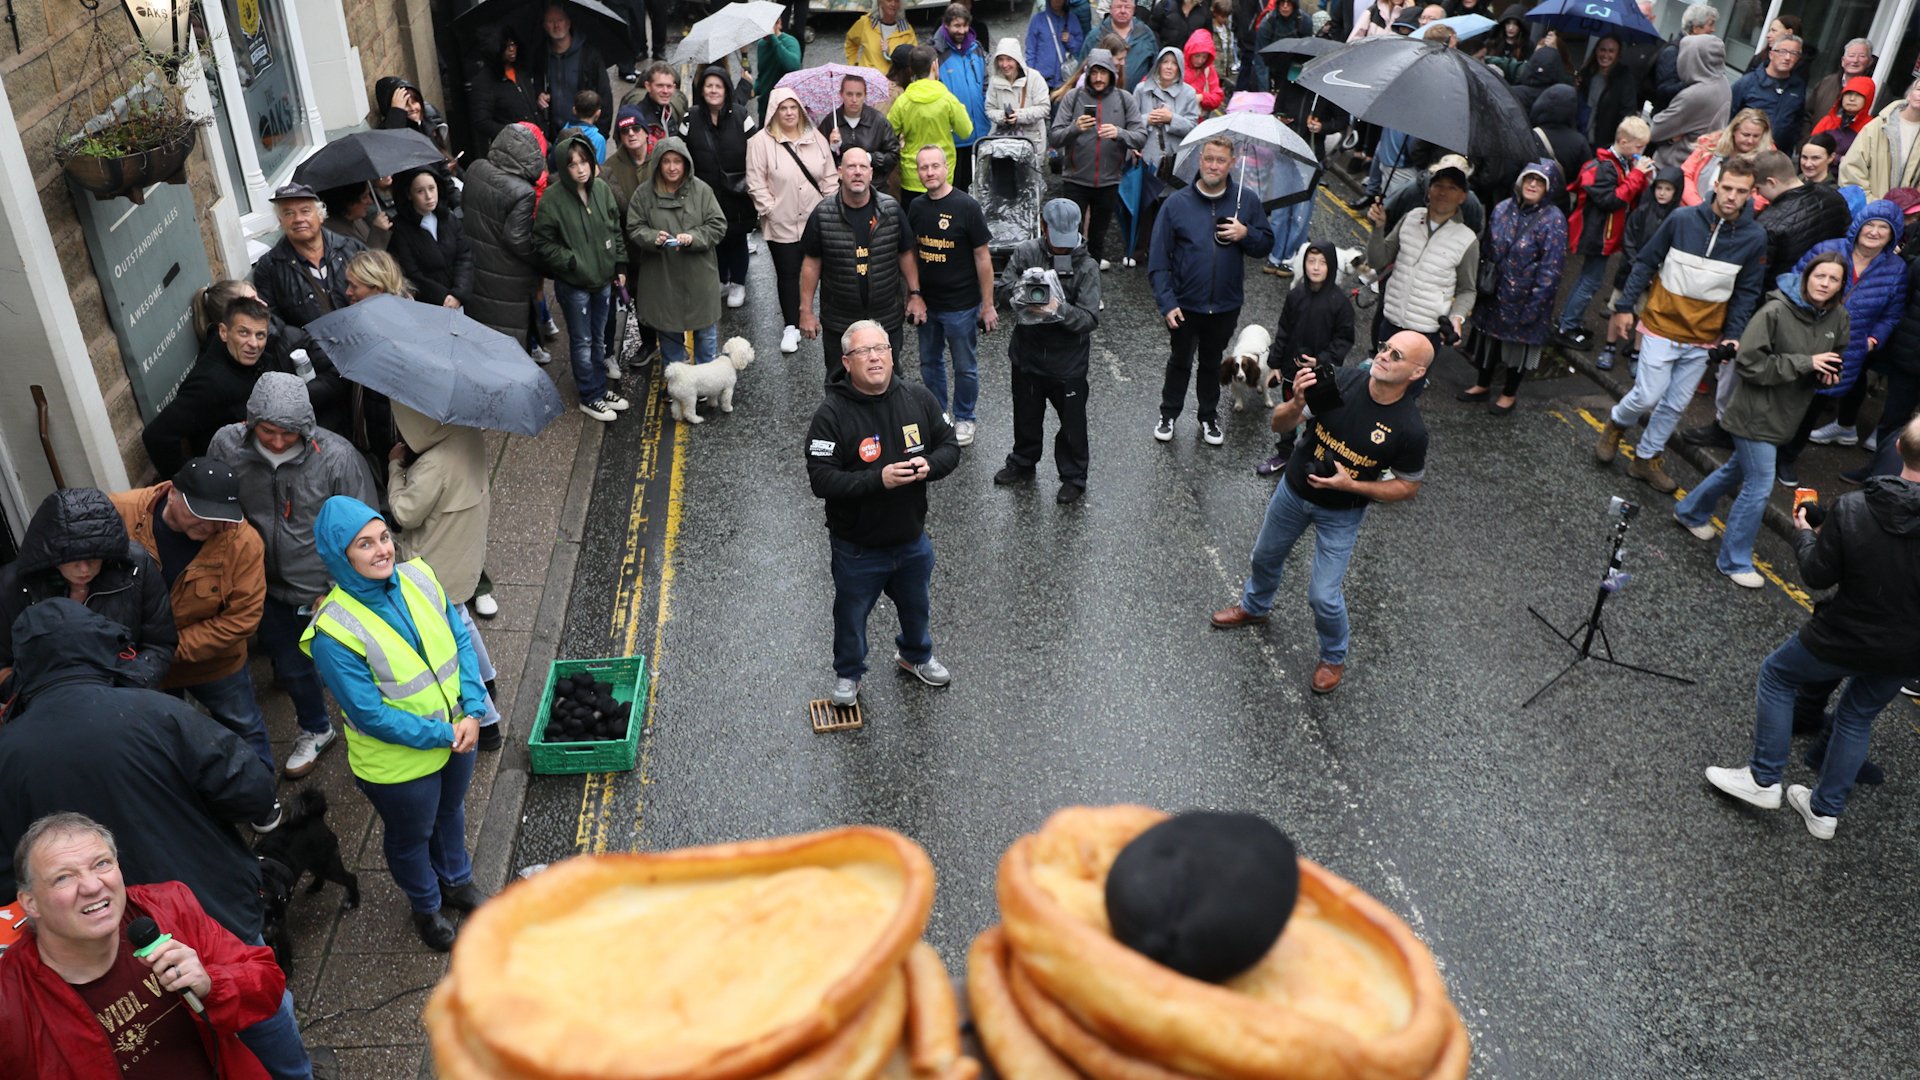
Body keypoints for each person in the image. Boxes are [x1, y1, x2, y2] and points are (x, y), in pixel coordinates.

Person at [1703, 416, 1920, 841]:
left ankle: (1763, 779)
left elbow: (1817, 575)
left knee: (1777, 675)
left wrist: (1806, 534)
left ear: (1897, 449)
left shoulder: (1855, 507)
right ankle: (1823, 813)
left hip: (1844, 633)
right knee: (1857, 715)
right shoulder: (1851, 510)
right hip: (1907, 649)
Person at [301, 497, 489, 951]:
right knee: (411, 838)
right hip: (398, 765)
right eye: (364, 544)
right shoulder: (332, 632)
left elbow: (461, 641)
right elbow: (370, 714)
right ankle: (427, 906)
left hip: (457, 735)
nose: (383, 549)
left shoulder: (419, 576)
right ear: (340, 556)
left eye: (384, 537)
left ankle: (456, 882)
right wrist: (447, 732)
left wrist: (473, 709)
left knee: (450, 812)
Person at [1210, 331, 1432, 695]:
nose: (1384, 356)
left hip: (1341, 512)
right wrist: (1296, 403)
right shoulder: (1341, 381)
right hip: (1293, 492)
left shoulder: (1409, 429)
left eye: (1397, 355)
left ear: (1417, 372)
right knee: (1264, 557)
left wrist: (1353, 486)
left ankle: (1333, 657)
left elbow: (1408, 486)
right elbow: (1279, 424)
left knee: (1323, 596)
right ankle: (1255, 606)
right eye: (1385, 348)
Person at [0, 813, 288, 1080]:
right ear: (30, 903)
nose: (92, 886)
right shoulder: (10, 1000)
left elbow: (268, 981)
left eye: (101, 864)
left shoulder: (169, 906)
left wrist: (212, 985)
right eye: (63, 877)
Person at [208, 373, 377, 778]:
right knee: (291, 664)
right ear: (251, 422)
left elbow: (363, 529)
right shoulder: (226, 446)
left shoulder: (337, 459)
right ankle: (317, 728)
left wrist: (338, 590)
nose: (279, 441)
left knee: (353, 663)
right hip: (262, 585)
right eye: (268, 431)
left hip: (320, 589)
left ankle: (372, 726)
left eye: (289, 433)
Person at [804, 320, 960, 706]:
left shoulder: (918, 398)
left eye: (881, 349)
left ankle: (916, 655)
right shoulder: (830, 414)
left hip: (911, 538)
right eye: (863, 351)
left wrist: (930, 465)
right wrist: (879, 480)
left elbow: (949, 445)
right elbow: (821, 479)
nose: (874, 357)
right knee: (851, 615)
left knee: (916, 606)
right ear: (846, 361)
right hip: (857, 546)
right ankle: (849, 673)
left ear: (892, 355)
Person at [1675, 255, 1848, 588]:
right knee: (1759, 485)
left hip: (1786, 415)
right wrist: (1805, 362)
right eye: (1820, 276)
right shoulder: (1774, 311)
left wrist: (1827, 376)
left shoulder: (1839, 316)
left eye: (1834, 279)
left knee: (1735, 470)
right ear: (1806, 277)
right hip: (1754, 413)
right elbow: (1748, 364)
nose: (1825, 283)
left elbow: (1834, 357)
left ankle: (1690, 512)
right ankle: (1733, 560)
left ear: (1842, 286)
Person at [1598, 160, 1766, 493]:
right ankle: (1616, 423)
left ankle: (1645, 458)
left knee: (1675, 405)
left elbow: (1747, 291)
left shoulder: (1755, 237)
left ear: (1752, 194)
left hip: (1705, 336)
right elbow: (1646, 261)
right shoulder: (1681, 219)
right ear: (1716, 185)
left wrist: (1733, 335)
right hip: (1662, 324)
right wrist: (1625, 306)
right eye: (1727, 188)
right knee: (1648, 394)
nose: (1732, 196)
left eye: (1741, 191)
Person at [106, 460, 271, 769]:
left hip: (213, 664)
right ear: (172, 493)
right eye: (201, 513)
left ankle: (262, 788)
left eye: (219, 517)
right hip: (137, 665)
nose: (210, 526)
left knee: (244, 727)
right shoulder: (119, 512)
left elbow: (242, 618)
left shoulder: (244, 543)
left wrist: (163, 651)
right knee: (163, 742)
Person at [1682, 148, 1852, 445]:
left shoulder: (1769, 224)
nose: (1757, 195)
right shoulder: (1835, 200)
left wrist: (1736, 327)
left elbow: (1755, 279)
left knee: (1740, 369)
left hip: (1772, 305)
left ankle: (1724, 427)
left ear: (1771, 182)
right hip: (1817, 306)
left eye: (1757, 189)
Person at [1149, 135, 1274, 446]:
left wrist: (1246, 233)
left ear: (1232, 163)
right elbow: (1158, 260)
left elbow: (1265, 244)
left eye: (1220, 160)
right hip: (1184, 305)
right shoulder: (1176, 204)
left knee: (1211, 362)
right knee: (1180, 361)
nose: (1213, 166)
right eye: (1208, 159)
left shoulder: (1247, 201)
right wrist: (1167, 303)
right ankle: (1168, 414)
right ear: (1199, 160)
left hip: (1225, 306)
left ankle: (1208, 417)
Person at [0, 489, 175, 695]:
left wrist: (127, 684)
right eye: (72, 559)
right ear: (50, 554)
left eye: (93, 557)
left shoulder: (135, 567)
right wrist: (46, 693)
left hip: (130, 694)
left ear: (108, 553)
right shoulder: (12, 585)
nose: (84, 569)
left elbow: (160, 643)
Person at [1783, 201, 1909, 471]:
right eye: (1870, 224)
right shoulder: (1827, 249)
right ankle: (1761, 451)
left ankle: (1787, 458)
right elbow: (1793, 283)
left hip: (1845, 350)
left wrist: (1872, 341)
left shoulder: (1896, 269)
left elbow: (1892, 315)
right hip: (1803, 340)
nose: (1874, 232)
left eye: (1883, 227)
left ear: (1893, 234)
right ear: (1858, 225)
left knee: (1813, 408)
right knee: (1783, 398)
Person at [143, 290, 323, 476]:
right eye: (244, 333)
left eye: (260, 335)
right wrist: (190, 483)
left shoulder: (252, 360)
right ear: (223, 332)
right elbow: (157, 435)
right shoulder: (210, 383)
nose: (253, 343)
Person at [992, 198, 1100, 501]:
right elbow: (1002, 291)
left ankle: (1074, 476)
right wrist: (1023, 291)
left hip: (1068, 363)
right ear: (1043, 226)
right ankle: (1023, 461)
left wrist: (1057, 309)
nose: (1062, 248)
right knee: (1025, 415)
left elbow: (1090, 319)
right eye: (1055, 238)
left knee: (1072, 424)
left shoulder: (1087, 266)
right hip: (1027, 355)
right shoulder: (1026, 252)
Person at [798, 147, 920, 371]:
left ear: (871, 173)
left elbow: (905, 253)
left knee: (889, 378)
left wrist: (915, 294)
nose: (857, 172)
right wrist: (806, 311)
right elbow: (811, 264)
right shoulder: (822, 214)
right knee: (839, 381)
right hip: (840, 321)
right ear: (840, 172)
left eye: (863, 167)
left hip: (886, 317)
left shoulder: (891, 210)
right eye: (851, 167)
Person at [1461, 160, 1567, 413]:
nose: (1533, 184)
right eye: (1529, 178)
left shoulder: (1554, 220)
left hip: (1525, 299)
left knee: (1517, 350)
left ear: (1549, 188)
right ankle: (1482, 384)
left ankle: (1509, 394)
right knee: (1488, 342)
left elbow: (1551, 270)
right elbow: (1486, 248)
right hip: (1494, 293)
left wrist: (1534, 307)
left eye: (1540, 181)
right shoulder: (1502, 208)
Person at [907, 146, 996, 445]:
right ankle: (938, 416)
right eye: (923, 167)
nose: (929, 172)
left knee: (964, 367)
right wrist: (914, 295)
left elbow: (983, 257)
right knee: (929, 363)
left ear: (947, 168)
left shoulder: (966, 206)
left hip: (961, 306)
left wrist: (988, 305)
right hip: (927, 305)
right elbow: (911, 253)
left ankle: (965, 417)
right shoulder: (916, 207)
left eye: (935, 166)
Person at [748, 87, 839, 356]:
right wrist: (771, 210)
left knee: (824, 270)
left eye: (793, 108)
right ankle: (791, 325)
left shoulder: (817, 138)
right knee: (788, 274)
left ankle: (828, 318)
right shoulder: (760, 142)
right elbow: (756, 181)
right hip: (782, 222)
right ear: (774, 112)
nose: (789, 113)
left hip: (815, 220)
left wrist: (829, 208)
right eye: (783, 108)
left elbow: (829, 176)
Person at [629, 136, 729, 369]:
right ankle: (676, 382)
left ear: (686, 163)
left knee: (705, 335)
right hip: (662, 276)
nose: (672, 167)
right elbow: (634, 226)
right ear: (657, 164)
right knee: (669, 338)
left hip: (698, 275)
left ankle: (706, 380)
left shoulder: (702, 190)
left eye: (677, 161)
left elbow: (717, 225)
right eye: (666, 162)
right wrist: (653, 237)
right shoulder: (643, 194)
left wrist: (694, 237)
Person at [1553, 116, 1653, 350]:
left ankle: (1567, 320)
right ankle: (1567, 326)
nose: (1641, 152)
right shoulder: (1606, 167)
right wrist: (1637, 175)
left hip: (1601, 233)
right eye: (1639, 147)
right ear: (1624, 142)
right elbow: (1611, 200)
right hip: (1597, 235)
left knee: (1587, 279)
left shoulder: (1619, 163)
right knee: (1590, 282)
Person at [1256, 241, 1355, 476]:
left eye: (1322, 262)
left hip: (1321, 376)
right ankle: (1284, 453)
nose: (1316, 267)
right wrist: (1275, 364)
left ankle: (1310, 458)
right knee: (1289, 412)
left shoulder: (1340, 303)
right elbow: (1283, 330)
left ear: (1332, 266)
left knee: (1318, 418)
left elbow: (1344, 339)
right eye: (1311, 261)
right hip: (1292, 373)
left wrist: (1321, 361)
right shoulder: (1295, 295)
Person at [1365, 155, 1479, 352]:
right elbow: (1378, 261)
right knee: (1379, 368)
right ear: (1429, 190)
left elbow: (1467, 290)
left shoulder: (1467, 240)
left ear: (1463, 196)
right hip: (1390, 320)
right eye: (1438, 185)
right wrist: (1378, 229)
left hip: (1425, 333)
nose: (1443, 192)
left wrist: (1457, 317)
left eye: (1452, 188)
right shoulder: (1411, 217)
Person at [463, 122, 551, 361]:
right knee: (511, 338)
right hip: (508, 277)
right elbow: (517, 239)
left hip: (476, 266)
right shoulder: (523, 192)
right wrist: (543, 262)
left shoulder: (475, 169)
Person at [1052, 49, 1146, 268]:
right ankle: (1068, 280)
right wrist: (1075, 128)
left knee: (1097, 239)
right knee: (1069, 237)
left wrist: (1119, 133)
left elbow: (1141, 137)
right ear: (1087, 73)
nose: (1098, 78)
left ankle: (1090, 282)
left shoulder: (1124, 98)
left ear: (1112, 73)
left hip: (1108, 181)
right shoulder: (1073, 97)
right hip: (1075, 179)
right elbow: (1055, 137)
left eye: (1103, 73)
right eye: (1094, 73)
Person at [251, 183, 367, 351]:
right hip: (315, 355)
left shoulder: (351, 248)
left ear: (320, 216)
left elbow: (382, 288)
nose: (298, 219)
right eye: (288, 213)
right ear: (280, 221)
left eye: (305, 211)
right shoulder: (270, 266)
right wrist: (311, 348)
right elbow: (271, 321)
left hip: (364, 340)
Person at [679, 66, 756, 310]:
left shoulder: (742, 116)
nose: (713, 90)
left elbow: (757, 150)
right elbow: (679, 150)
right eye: (708, 86)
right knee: (715, 238)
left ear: (726, 90)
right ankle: (722, 279)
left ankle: (738, 283)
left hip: (738, 191)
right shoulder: (690, 118)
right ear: (701, 90)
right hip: (704, 192)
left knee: (737, 237)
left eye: (718, 86)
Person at [1598, 163, 1682, 372]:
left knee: (1644, 316)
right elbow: (1628, 241)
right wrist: (1638, 266)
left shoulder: (1678, 218)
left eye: (1668, 189)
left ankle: (1636, 352)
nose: (1662, 193)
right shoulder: (1641, 212)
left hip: (1655, 276)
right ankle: (1609, 347)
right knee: (1617, 308)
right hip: (1629, 271)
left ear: (1677, 191)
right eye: (1659, 188)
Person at [1130, 45, 1199, 269]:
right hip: (1147, 156)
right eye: (1165, 62)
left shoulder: (1188, 93)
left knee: (1170, 208)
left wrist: (1171, 119)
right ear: (1158, 65)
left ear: (1180, 68)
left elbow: (1193, 126)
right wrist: (1147, 119)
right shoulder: (1141, 89)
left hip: (1173, 159)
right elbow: (1131, 122)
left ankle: (1164, 252)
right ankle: (1138, 250)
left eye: (1173, 63)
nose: (1169, 67)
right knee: (1144, 206)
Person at [889, 46, 975, 209]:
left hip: (912, 174)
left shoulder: (903, 101)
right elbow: (966, 131)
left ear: (911, 69)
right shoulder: (947, 99)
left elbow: (887, 132)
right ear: (934, 65)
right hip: (942, 175)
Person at [386, 169, 473, 316]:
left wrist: (458, 293)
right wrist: (444, 298)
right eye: (420, 191)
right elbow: (411, 273)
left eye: (432, 188)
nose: (429, 196)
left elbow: (464, 257)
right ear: (409, 194)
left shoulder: (449, 219)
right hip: (427, 307)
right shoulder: (400, 230)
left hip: (459, 301)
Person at [1649, 33, 1729, 169]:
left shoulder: (1694, 95)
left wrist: (1670, 138)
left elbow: (1654, 131)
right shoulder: (1723, 83)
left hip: (1672, 166)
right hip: (1698, 164)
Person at [932, 5, 989, 192]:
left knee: (979, 189)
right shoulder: (936, 53)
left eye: (965, 26)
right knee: (955, 189)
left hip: (979, 132)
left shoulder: (977, 48)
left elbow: (985, 82)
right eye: (957, 26)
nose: (962, 31)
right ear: (946, 25)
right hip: (952, 136)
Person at [534, 2, 612, 138]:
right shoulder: (541, 55)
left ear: (569, 23)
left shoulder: (589, 55)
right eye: (551, 21)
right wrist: (539, 94)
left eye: (560, 20)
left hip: (584, 134)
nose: (556, 25)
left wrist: (601, 134)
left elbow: (604, 95)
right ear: (544, 26)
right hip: (554, 135)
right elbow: (536, 85)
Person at [1837, 80, 1920, 201]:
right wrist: (1874, 206)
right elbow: (1851, 169)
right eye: (1918, 89)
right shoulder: (1879, 125)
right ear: (1909, 94)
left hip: (1907, 211)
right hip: (1869, 208)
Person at [820, 74, 904, 186]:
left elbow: (893, 156)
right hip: (841, 188)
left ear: (865, 96)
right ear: (841, 95)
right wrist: (832, 149)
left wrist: (870, 158)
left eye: (859, 95)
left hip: (874, 187)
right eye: (849, 94)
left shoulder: (878, 121)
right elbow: (818, 161)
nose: (854, 100)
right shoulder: (830, 122)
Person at [1679, 109, 1773, 208]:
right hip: (1693, 207)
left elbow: (1762, 197)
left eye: (1756, 136)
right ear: (1734, 131)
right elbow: (1685, 175)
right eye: (1746, 135)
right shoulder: (1710, 143)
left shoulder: (1767, 159)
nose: (1750, 140)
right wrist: (1699, 206)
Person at [1730, 34, 1806, 151]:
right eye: (1782, 52)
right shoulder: (1748, 83)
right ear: (1771, 54)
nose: (1787, 57)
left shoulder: (1797, 87)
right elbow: (1729, 116)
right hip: (1746, 151)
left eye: (1793, 53)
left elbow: (1797, 121)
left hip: (1777, 155)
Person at [470, 27, 540, 152]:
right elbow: (482, 122)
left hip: (535, 141)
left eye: (513, 44)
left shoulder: (520, 71)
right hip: (511, 148)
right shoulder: (484, 81)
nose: (512, 49)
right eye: (506, 46)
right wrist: (515, 133)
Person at [986, 38, 1051, 159]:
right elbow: (989, 109)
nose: (1004, 65)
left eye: (1009, 59)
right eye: (1001, 59)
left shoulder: (1034, 78)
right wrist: (1003, 117)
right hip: (1003, 144)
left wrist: (1019, 115)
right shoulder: (994, 81)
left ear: (1017, 60)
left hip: (1031, 142)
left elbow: (1044, 107)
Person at [1649, 2, 1717, 113]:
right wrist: (1694, 82)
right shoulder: (1672, 52)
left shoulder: (1699, 52)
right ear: (1695, 28)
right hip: (1667, 117)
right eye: (1710, 25)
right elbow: (1664, 91)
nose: (1713, 29)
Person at [1574, 35, 1637, 149]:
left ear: (1618, 54)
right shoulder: (1586, 74)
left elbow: (1627, 113)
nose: (1606, 55)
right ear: (1596, 50)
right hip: (1579, 136)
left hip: (1604, 143)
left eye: (1611, 51)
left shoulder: (1624, 79)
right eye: (1602, 50)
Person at [1803, 38, 1875, 137]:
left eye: (1862, 56)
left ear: (1870, 62)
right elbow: (1807, 115)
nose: (1855, 60)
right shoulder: (1827, 82)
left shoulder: (1874, 89)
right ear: (1843, 61)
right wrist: (1805, 141)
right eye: (1851, 55)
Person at [1091, 0, 1157, 89]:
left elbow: (1155, 68)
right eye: (1118, 6)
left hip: (1138, 95)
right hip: (1101, 95)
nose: (1123, 11)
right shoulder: (1095, 36)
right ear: (1110, 9)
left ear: (1134, 10)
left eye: (1127, 7)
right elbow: (1082, 70)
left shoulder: (1146, 34)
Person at [1810, 77, 1878, 161]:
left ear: (1868, 99)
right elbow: (1811, 149)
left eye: (1858, 95)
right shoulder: (1828, 120)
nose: (1852, 99)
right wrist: (1838, 159)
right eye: (1848, 94)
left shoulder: (1872, 127)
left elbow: (1868, 159)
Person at [847, 0, 917, 78]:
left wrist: (890, 56)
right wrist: (852, 65)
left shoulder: (907, 31)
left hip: (893, 82)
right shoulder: (865, 23)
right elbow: (850, 41)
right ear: (879, 2)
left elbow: (913, 60)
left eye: (897, 1)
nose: (893, 4)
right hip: (867, 79)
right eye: (889, 0)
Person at [755, 16, 803, 126]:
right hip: (765, 107)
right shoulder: (761, 45)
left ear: (779, 24)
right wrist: (753, 89)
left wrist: (774, 40)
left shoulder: (790, 42)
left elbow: (793, 66)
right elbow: (763, 75)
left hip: (785, 108)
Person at [1027, 0, 1085, 90]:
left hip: (1064, 80)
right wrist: (1030, 75)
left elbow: (1080, 48)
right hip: (1041, 79)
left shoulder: (1072, 19)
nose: (1057, 1)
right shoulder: (1038, 20)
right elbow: (1030, 50)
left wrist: (1070, 40)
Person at [1251, 0, 1308, 92]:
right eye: (1282, 3)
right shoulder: (1267, 24)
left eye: (1288, 3)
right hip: (1270, 64)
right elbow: (1260, 59)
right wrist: (1264, 91)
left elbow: (1306, 54)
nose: (1285, 6)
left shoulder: (1304, 21)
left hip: (1292, 64)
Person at [318, 183, 391, 252]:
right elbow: (367, 259)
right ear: (348, 201)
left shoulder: (357, 220)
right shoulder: (335, 234)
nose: (370, 201)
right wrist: (378, 232)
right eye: (364, 197)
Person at [1181, 27, 1224, 116]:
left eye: (1204, 57)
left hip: (1199, 117)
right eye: (1197, 56)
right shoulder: (1178, 65)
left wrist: (1202, 97)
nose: (1200, 61)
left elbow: (1217, 96)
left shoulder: (1208, 70)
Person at [560, 89, 609, 163]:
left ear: (574, 110)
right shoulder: (599, 140)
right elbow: (598, 166)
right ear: (598, 113)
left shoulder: (564, 131)